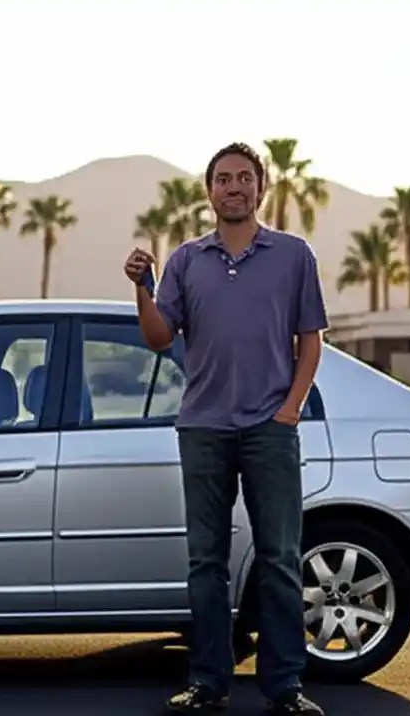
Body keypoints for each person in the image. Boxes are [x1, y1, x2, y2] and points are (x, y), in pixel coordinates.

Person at [125, 142, 328, 716]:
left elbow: (310, 339)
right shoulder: (188, 261)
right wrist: (142, 285)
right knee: (206, 563)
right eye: (222, 179)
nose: (233, 187)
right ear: (209, 190)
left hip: (270, 429)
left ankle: (285, 686)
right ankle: (208, 682)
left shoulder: (293, 256)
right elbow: (159, 336)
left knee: (281, 559)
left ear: (261, 189)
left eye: (244, 178)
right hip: (204, 429)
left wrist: (289, 409)